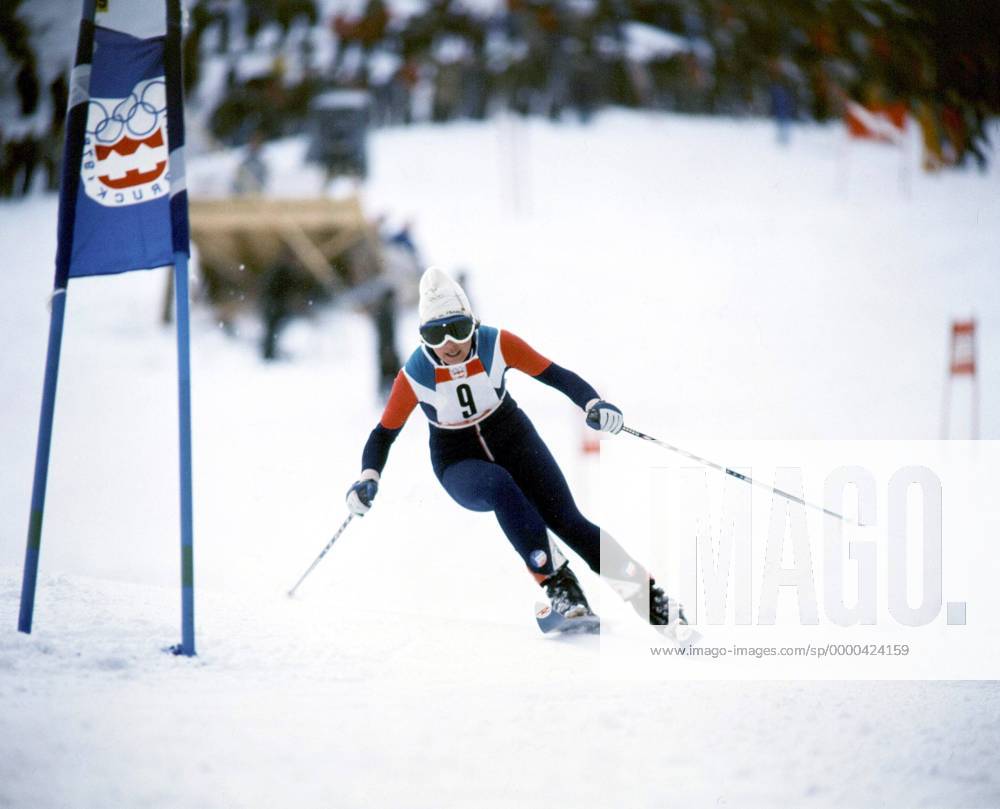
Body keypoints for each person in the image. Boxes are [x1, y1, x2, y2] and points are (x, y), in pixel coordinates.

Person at [346, 268, 687, 628]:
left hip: (512, 435)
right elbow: (384, 433)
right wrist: (368, 477)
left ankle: (650, 599)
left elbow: (554, 374)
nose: (449, 343)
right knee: (499, 485)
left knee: (569, 522)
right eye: (435, 334)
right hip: (457, 458)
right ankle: (560, 588)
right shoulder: (415, 373)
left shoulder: (498, 343)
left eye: (458, 329)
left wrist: (593, 404)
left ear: (473, 324)